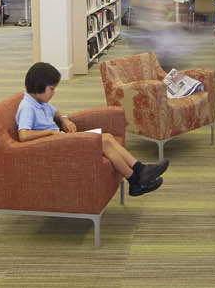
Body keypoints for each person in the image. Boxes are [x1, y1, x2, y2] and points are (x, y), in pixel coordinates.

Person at [17, 62, 168, 196]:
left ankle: (140, 170)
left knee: (107, 137)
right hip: (55, 147)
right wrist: (50, 132)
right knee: (103, 142)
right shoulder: (27, 107)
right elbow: (23, 135)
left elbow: (56, 112)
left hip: (61, 140)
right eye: (51, 89)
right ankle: (135, 179)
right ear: (39, 86)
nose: (53, 92)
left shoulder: (40, 102)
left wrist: (64, 119)